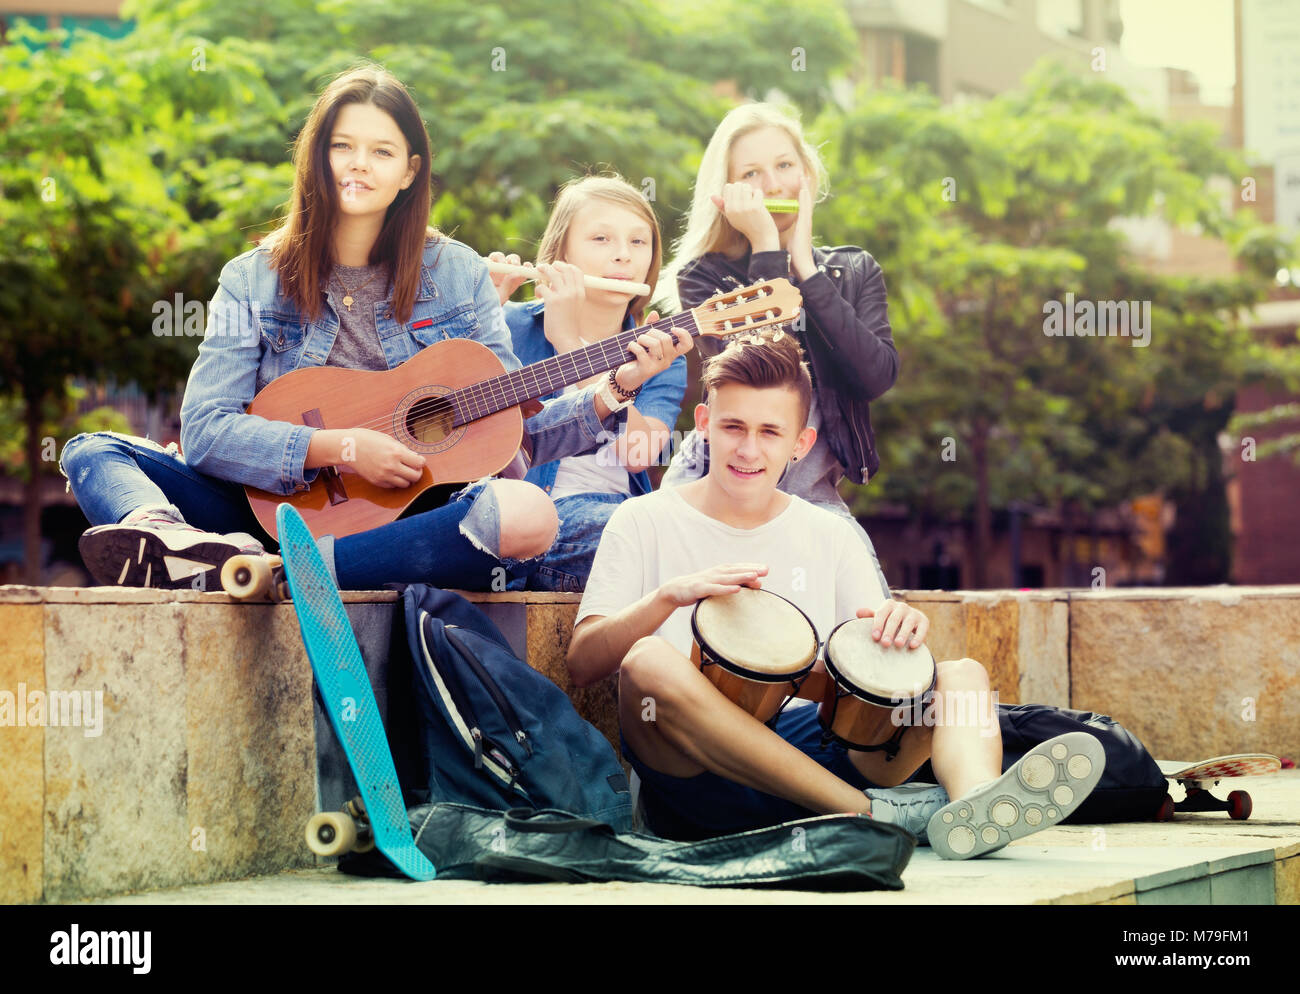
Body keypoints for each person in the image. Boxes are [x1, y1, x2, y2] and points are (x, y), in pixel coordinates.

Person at [61, 65, 689, 592]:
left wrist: (615, 391)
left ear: (410, 170)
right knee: (93, 451)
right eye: (342, 146)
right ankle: (176, 547)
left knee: (526, 510)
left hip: (407, 525)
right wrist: (342, 449)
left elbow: (512, 437)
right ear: (316, 155)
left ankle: (286, 578)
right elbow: (204, 431)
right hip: (262, 513)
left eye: (382, 151)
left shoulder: (458, 273)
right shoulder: (250, 279)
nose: (358, 165)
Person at [566, 331, 1104, 858]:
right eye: (733, 426)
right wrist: (667, 598)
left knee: (961, 675)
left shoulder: (830, 532)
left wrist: (898, 626)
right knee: (648, 663)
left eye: (770, 432)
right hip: (698, 779)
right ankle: (877, 816)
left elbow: (876, 672)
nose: (748, 448)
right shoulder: (643, 519)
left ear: (800, 444)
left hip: (815, 756)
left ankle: (977, 811)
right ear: (704, 424)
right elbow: (583, 662)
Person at [661, 102, 896, 591]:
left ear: (807, 173)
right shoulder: (703, 277)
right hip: (715, 489)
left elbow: (875, 376)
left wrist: (806, 269)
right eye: (751, 173)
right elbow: (762, 371)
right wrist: (767, 246)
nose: (772, 185)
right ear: (726, 193)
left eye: (785, 165)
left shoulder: (855, 271)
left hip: (812, 497)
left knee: (867, 636)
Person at [486, 176, 686, 591]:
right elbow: (445, 422)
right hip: (525, 519)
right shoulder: (509, 326)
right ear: (560, 253)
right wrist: (480, 313)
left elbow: (638, 455)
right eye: (601, 239)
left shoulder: (660, 352)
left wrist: (570, 345)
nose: (622, 257)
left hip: (617, 517)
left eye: (638, 242)